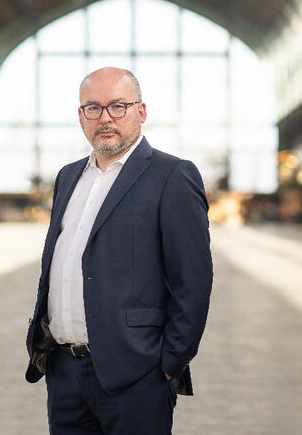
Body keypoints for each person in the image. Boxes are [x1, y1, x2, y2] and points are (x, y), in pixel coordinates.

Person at [25, 67, 214, 434]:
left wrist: (168, 365)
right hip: (65, 374)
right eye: (93, 108)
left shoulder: (172, 176)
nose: (106, 118)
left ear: (141, 112)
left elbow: (192, 282)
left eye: (118, 106)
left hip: (137, 377)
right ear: (81, 116)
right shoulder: (67, 177)